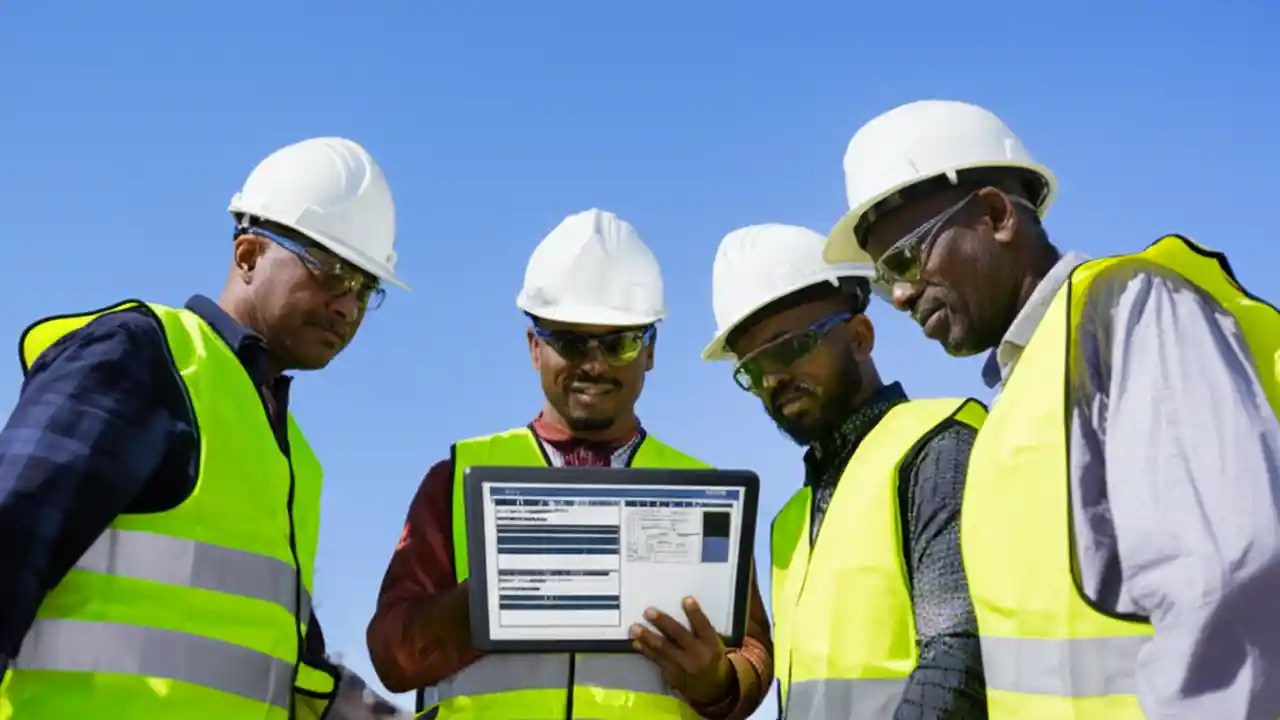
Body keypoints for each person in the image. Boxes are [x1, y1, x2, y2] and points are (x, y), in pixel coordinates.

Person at [824, 99, 1280, 719]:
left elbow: (1225, 593)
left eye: (905, 258)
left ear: (993, 215)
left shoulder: (1129, 312)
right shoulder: (1025, 387)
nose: (900, 295)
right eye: (883, 280)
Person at [0, 136, 411, 720]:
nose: (347, 305)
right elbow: (12, 536)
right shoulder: (143, 357)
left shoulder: (289, 452)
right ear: (247, 256)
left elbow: (289, 670)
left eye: (366, 287)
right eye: (329, 271)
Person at [366, 208, 773, 720]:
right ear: (535, 347)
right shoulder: (456, 479)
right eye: (570, 341)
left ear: (650, 352)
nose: (595, 364)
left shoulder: (705, 497)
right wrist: (488, 602)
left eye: (620, 342)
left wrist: (717, 681)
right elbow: (392, 655)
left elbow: (753, 652)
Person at [702, 222, 988, 719]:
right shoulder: (789, 523)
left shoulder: (936, 448)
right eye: (752, 369)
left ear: (859, 336)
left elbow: (958, 660)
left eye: (788, 347)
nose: (772, 378)